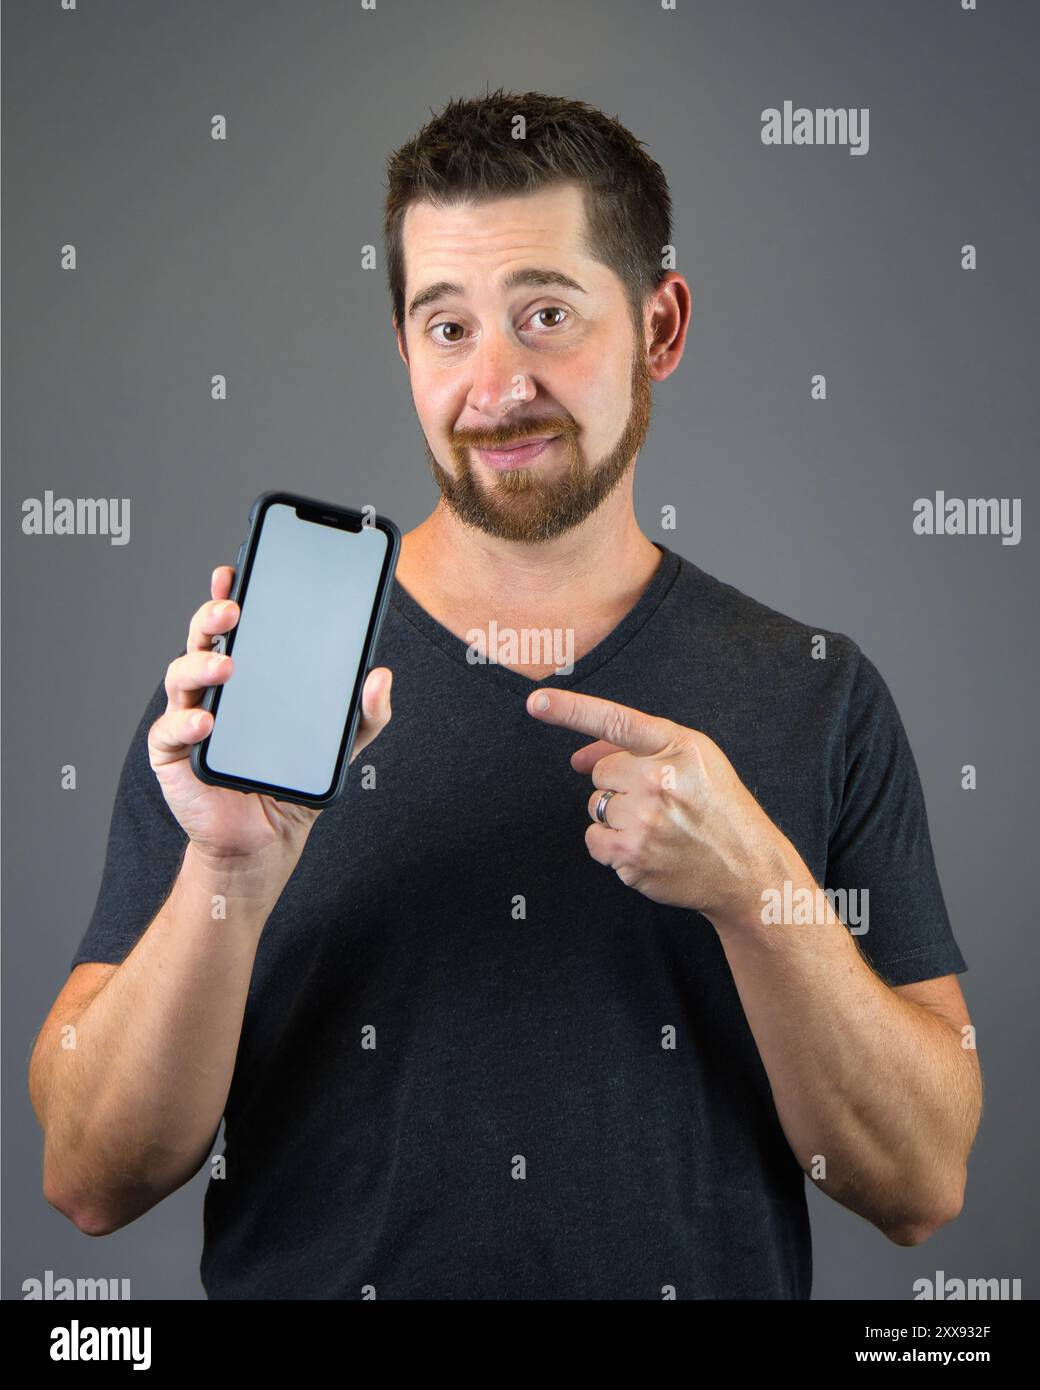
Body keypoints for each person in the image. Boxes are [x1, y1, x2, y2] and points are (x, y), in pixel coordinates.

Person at [29, 90, 981, 1300]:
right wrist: (226, 877)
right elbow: (90, 1175)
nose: (496, 385)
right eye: (446, 327)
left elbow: (920, 1183)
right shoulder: (256, 685)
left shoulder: (817, 693)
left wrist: (760, 895)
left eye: (544, 315)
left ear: (660, 324)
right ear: (402, 349)